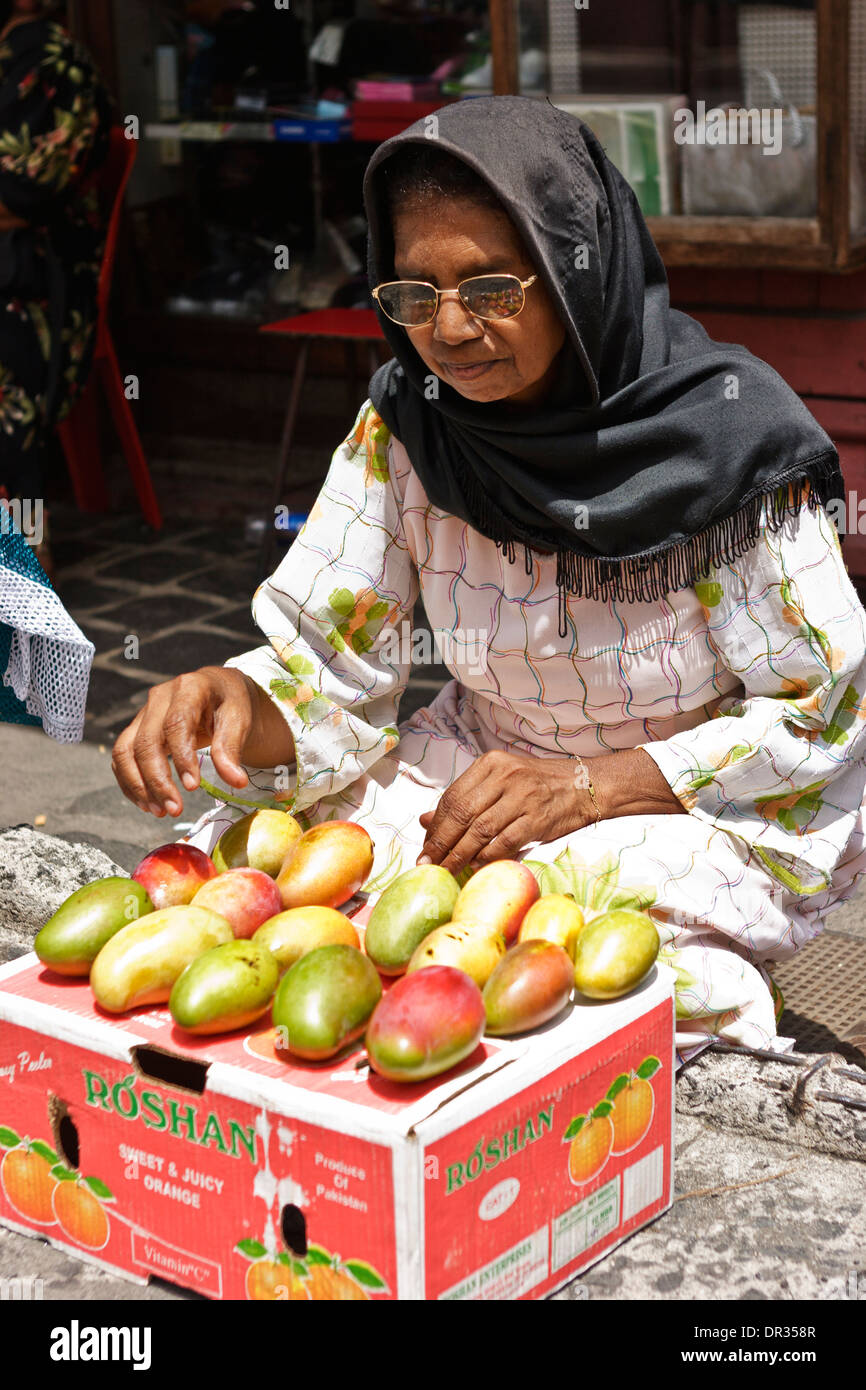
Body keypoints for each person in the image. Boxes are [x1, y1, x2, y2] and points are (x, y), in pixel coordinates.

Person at [111, 97, 866, 1056]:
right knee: (257, 866)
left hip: (677, 802)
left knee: (605, 961)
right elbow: (327, 667)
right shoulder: (410, 429)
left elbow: (827, 707)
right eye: (414, 294)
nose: (451, 330)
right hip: (482, 767)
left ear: (574, 274)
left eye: (493, 288)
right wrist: (230, 698)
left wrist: (590, 787)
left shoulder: (725, 440)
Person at [0, 0, 111, 573]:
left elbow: (32, 185)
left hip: (44, 273)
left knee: (11, 368)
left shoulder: (52, 59)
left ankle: (24, 555)